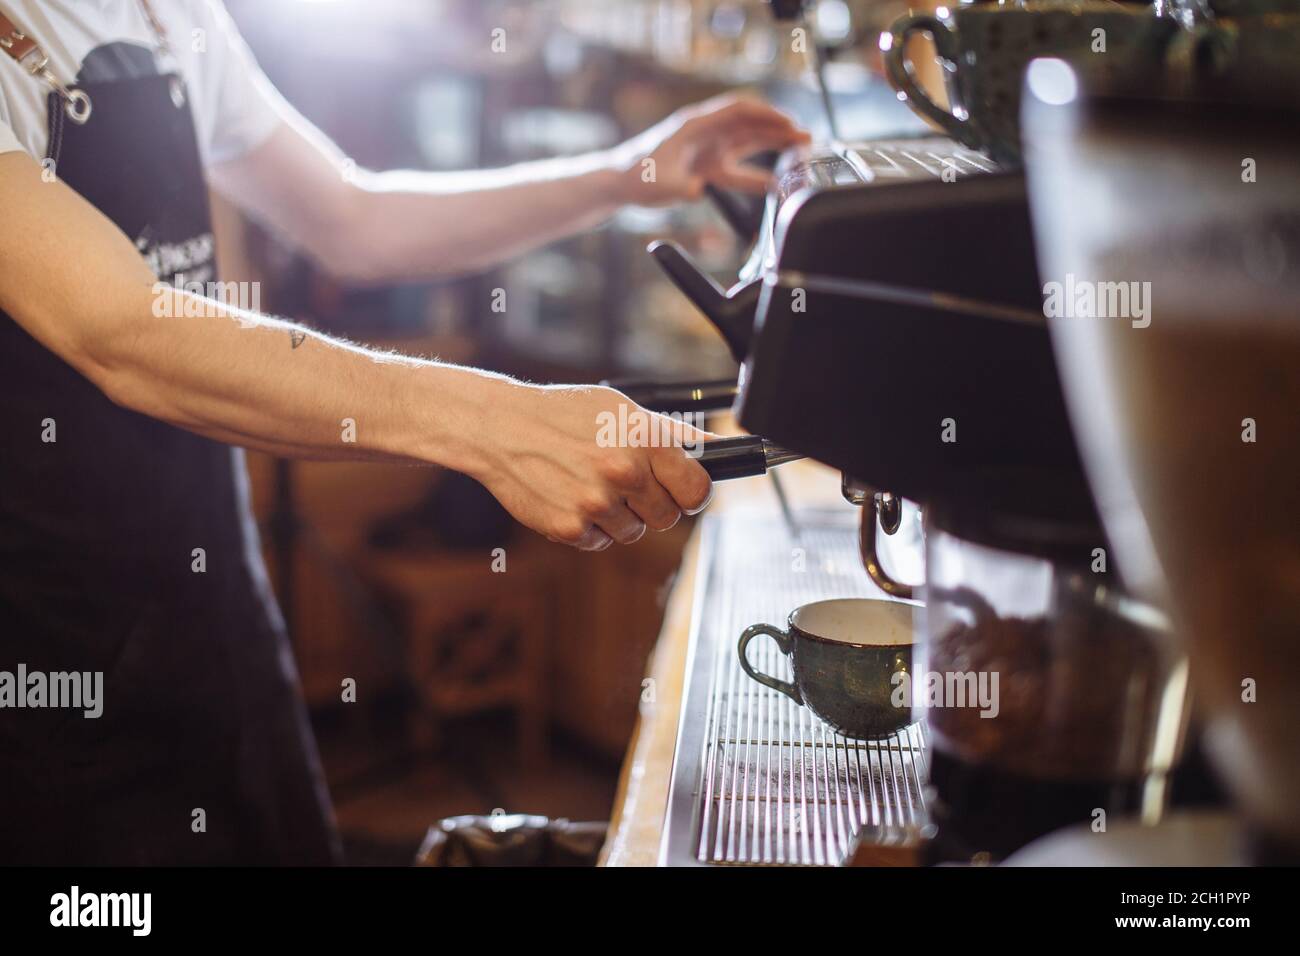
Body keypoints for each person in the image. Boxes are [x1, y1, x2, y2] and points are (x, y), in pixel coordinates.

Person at [0, 0, 809, 864]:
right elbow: (126, 333)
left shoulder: (162, 8)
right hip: (48, 622)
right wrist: (495, 423)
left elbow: (353, 219)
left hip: (208, 578)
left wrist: (630, 172)